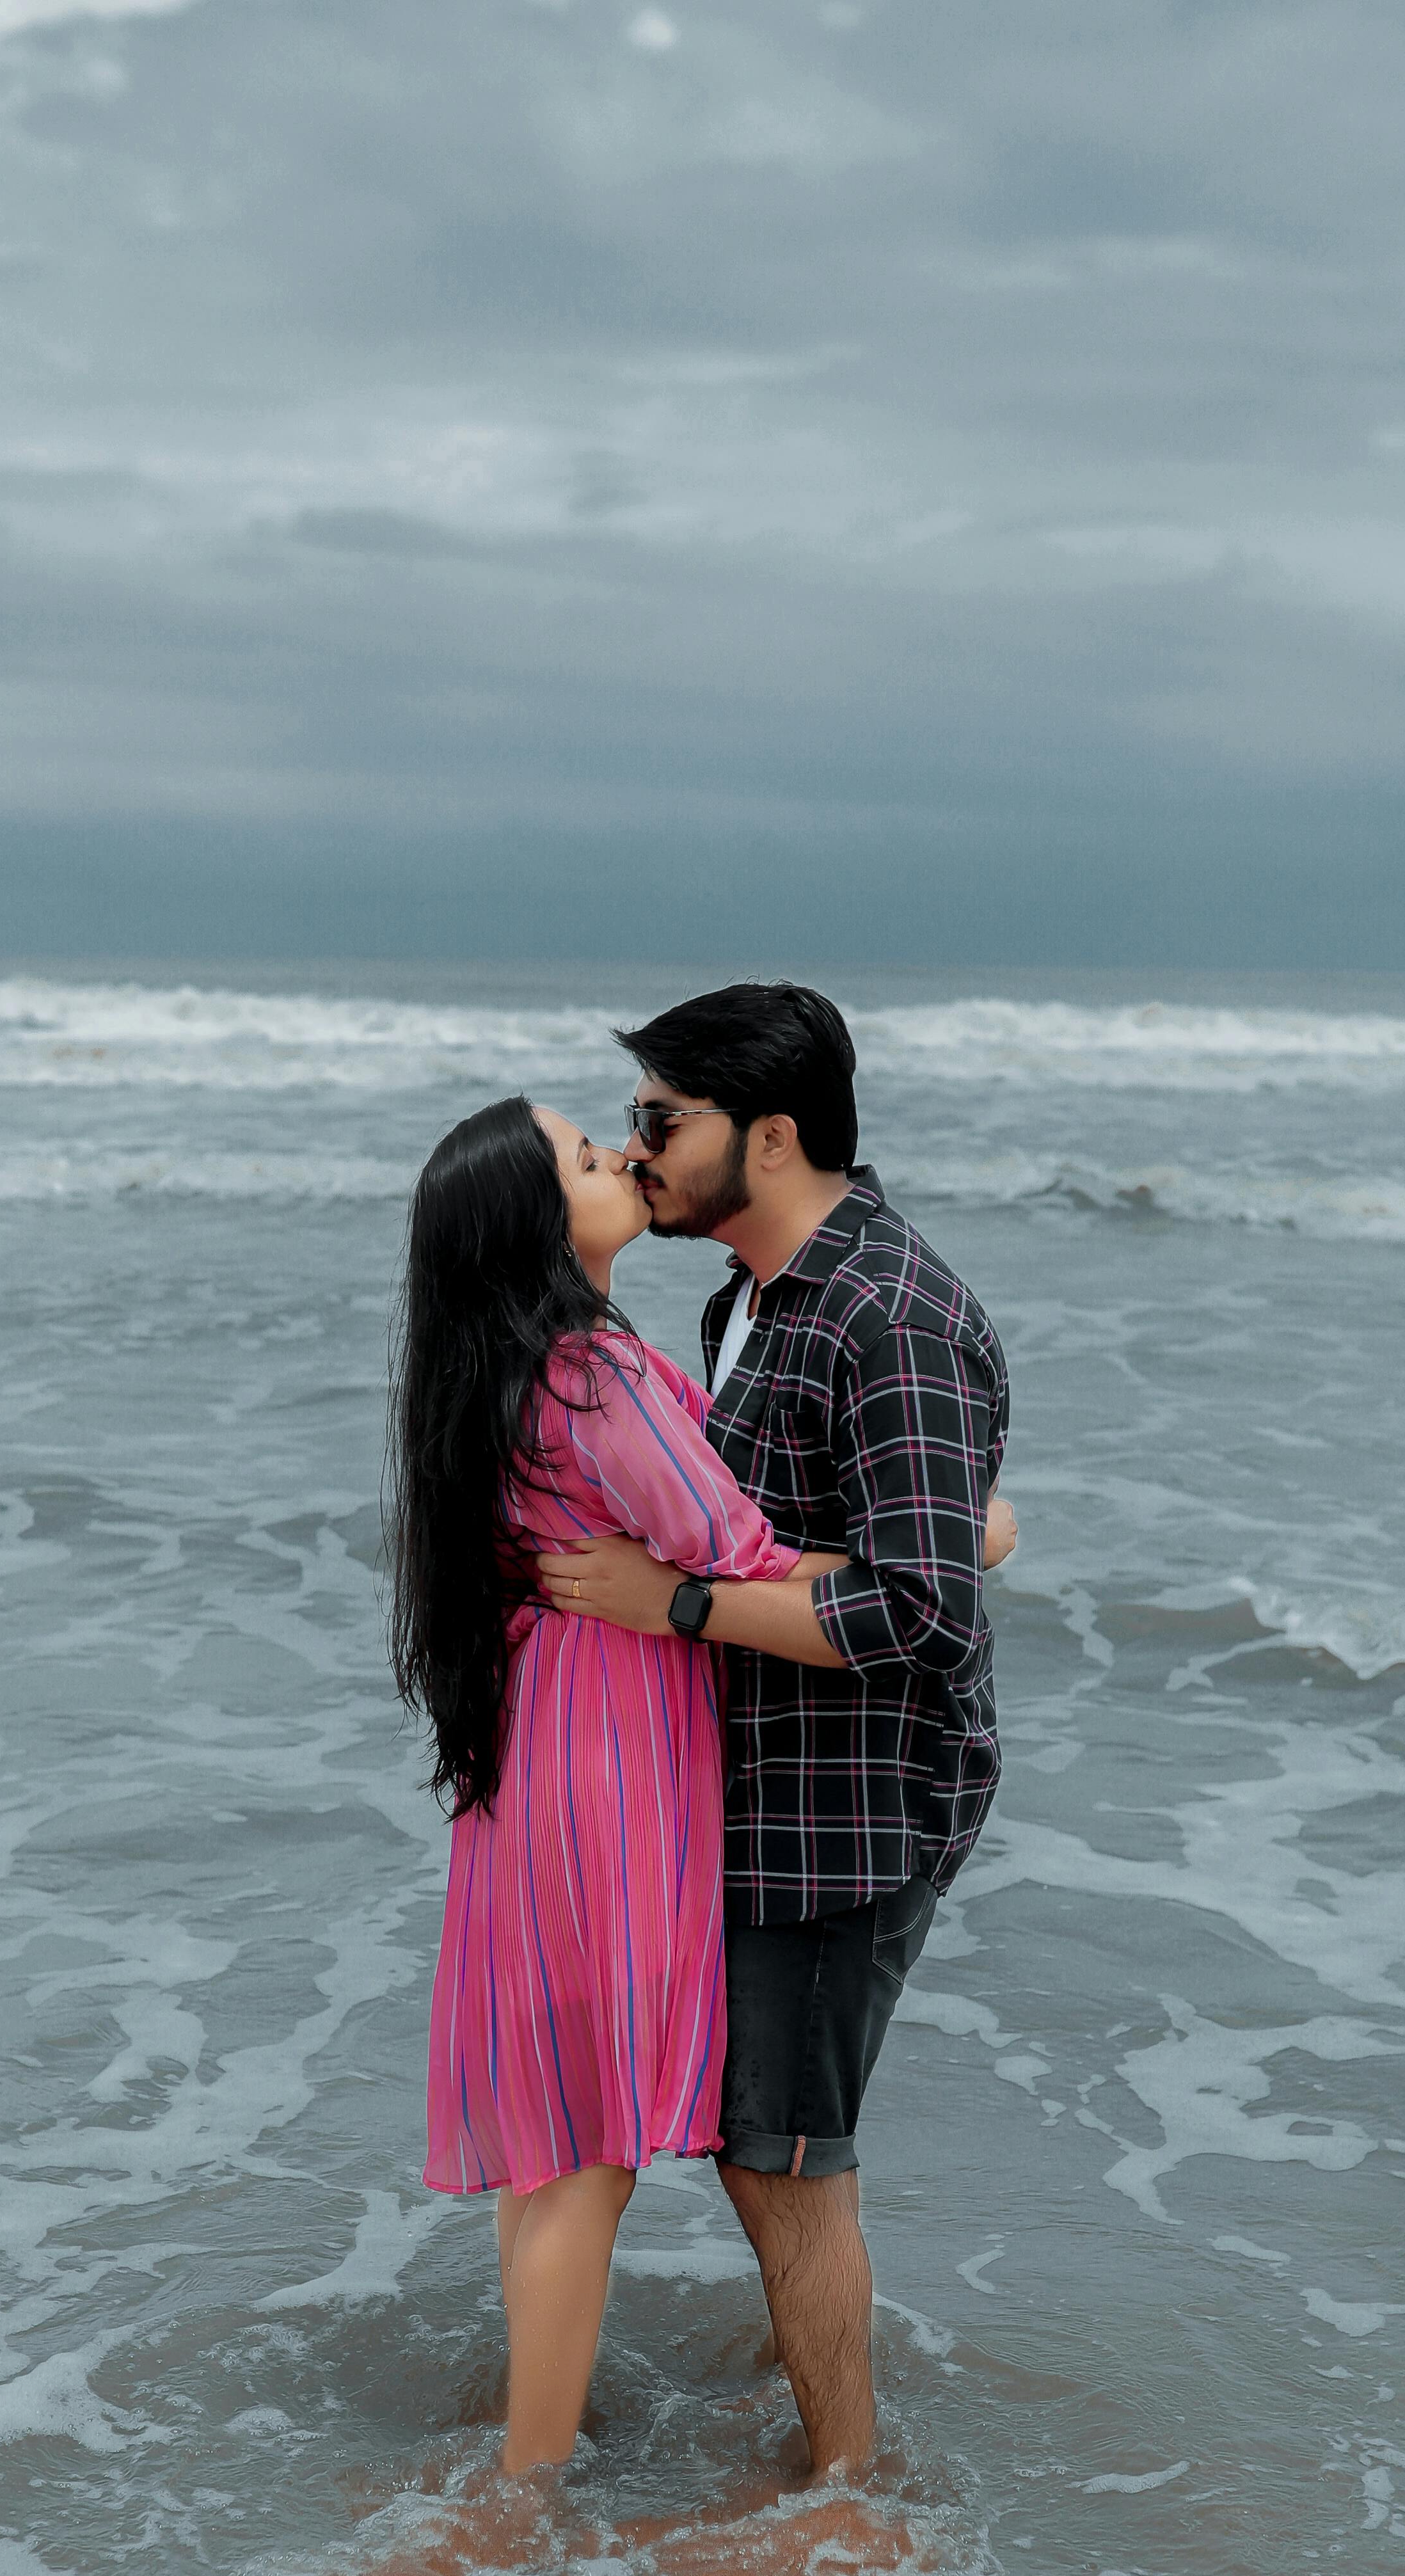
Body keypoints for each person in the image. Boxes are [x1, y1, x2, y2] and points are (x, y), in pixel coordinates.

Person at [546, 983, 1011, 2477]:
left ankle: (847, 2498)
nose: (638, 1152)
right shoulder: (746, 1296)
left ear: (776, 1133)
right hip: (753, 1791)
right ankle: (815, 2398)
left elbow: (926, 1610)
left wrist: (666, 1606)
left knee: (783, 2166)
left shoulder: (886, 1313)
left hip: (849, 1810)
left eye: (661, 1123)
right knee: (768, 2154)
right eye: (631, 1123)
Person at [390, 1095, 837, 2474]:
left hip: (527, 1764)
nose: (624, 1159)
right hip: (611, 1775)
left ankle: (531, 2444)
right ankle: (526, 2496)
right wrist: (958, 1547)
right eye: (588, 1159)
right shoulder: (596, 1375)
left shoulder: (504, 1380)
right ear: (537, 1221)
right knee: (589, 2150)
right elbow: (730, 1546)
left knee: (549, 2144)